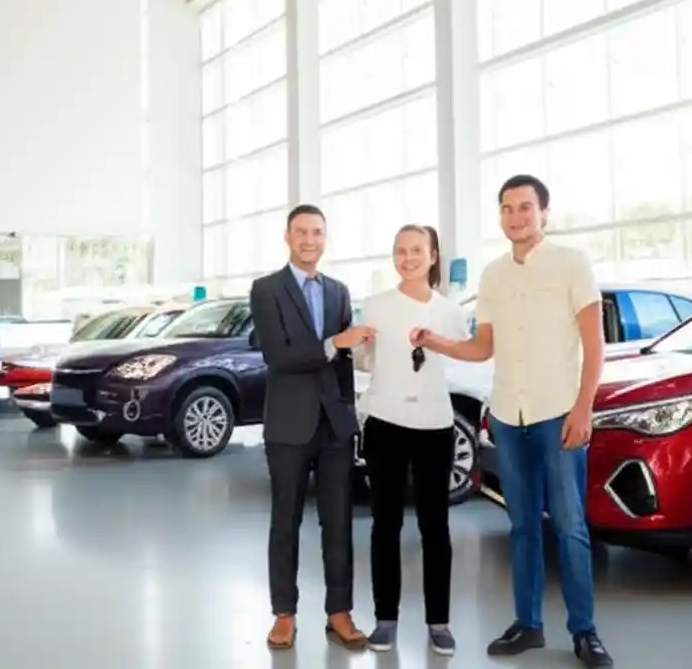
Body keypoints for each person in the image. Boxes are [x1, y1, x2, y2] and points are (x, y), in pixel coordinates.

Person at [409, 175, 614, 668]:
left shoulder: (572, 264)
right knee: (522, 525)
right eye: (507, 209)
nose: (515, 217)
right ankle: (528, 625)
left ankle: (585, 631)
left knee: (569, 527)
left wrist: (584, 407)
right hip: (507, 415)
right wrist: (438, 343)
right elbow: (484, 346)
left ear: (544, 213)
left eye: (525, 208)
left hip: (558, 413)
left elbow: (594, 344)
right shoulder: (494, 275)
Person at [249, 203, 374, 652]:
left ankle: (339, 611)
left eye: (317, 233)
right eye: (301, 232)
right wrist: (333, 342)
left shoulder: (339, 291)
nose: (309, 240)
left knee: (338, 522)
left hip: (335, 426)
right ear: (287, 237)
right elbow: (278, 356)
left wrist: (349, 415)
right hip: (287, 425)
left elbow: (342, 364)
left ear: (325, 238)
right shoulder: (267, 290)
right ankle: (284, 614)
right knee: (285, 521)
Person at [351, 225, 469, 656]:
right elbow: (365, 360)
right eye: (400, 250)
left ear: (433, 255)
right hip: (385, 421)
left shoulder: (451, 312)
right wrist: (360, 347)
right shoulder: (376, 306)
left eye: (417, 250)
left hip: (435, 424)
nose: (408, 258)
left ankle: (439, 621)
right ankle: (385, 620)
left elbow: (463, 357)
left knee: (435, 526)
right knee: (385, 524)